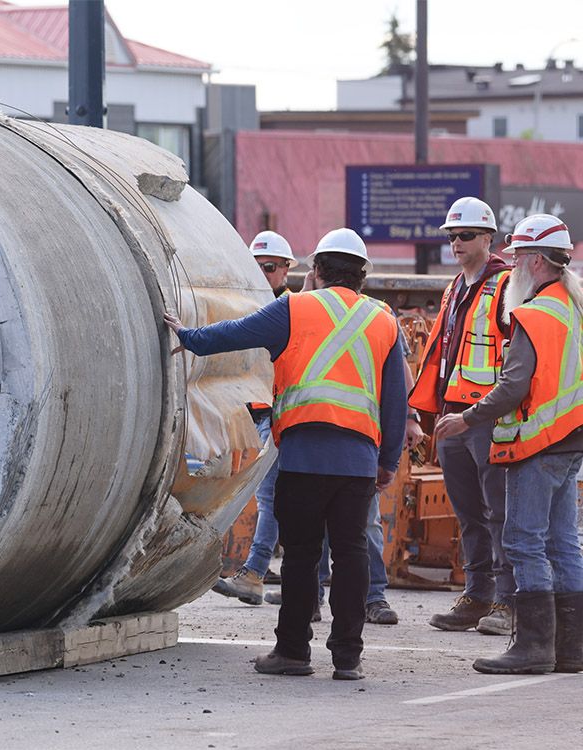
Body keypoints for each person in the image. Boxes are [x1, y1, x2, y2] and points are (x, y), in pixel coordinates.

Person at [166, 228, 407, 680]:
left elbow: (234, 333)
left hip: (302, 459)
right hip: (357, 464)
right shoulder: (383, 321)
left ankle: (293, 652)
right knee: (352, 556)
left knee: (300, 556)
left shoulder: (295, 307)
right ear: (363, 276)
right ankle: (348, 659)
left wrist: (188, 335)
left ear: (315, 272)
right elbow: (396, 400)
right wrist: (388, 462)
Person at [436, 214, 583, 674]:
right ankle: (571, 649)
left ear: (536, 260)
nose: (513, 262)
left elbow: (513, 385)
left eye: (519, 254)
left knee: (523, 542)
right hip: (569, 441)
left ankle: (534, 647)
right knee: (563, 544)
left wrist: (466, 418)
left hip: (536, 443)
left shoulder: (534, 313)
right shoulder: (573, 307)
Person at [409, 196, 516, 636]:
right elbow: (441, 352)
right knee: (470, 514)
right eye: (451, 235)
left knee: (500, 514)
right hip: (454, 417)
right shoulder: (455, 286)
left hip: (488, 418)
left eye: (465, 235)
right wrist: (424, 410)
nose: (455, 242)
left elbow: (516, 356)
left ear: (488, 238)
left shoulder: (508, 285)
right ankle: (477, 596)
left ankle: (507, 603)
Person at [212, 231, 295, 606]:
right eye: (257, 267)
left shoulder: (294, 310)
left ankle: (256, 573)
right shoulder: (243, 307)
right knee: (276, 497)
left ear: (286, 270)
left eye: (271, 267)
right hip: (260, 411)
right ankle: (273, 576)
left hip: (287, 412)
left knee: (273, 496)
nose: (263, 275)